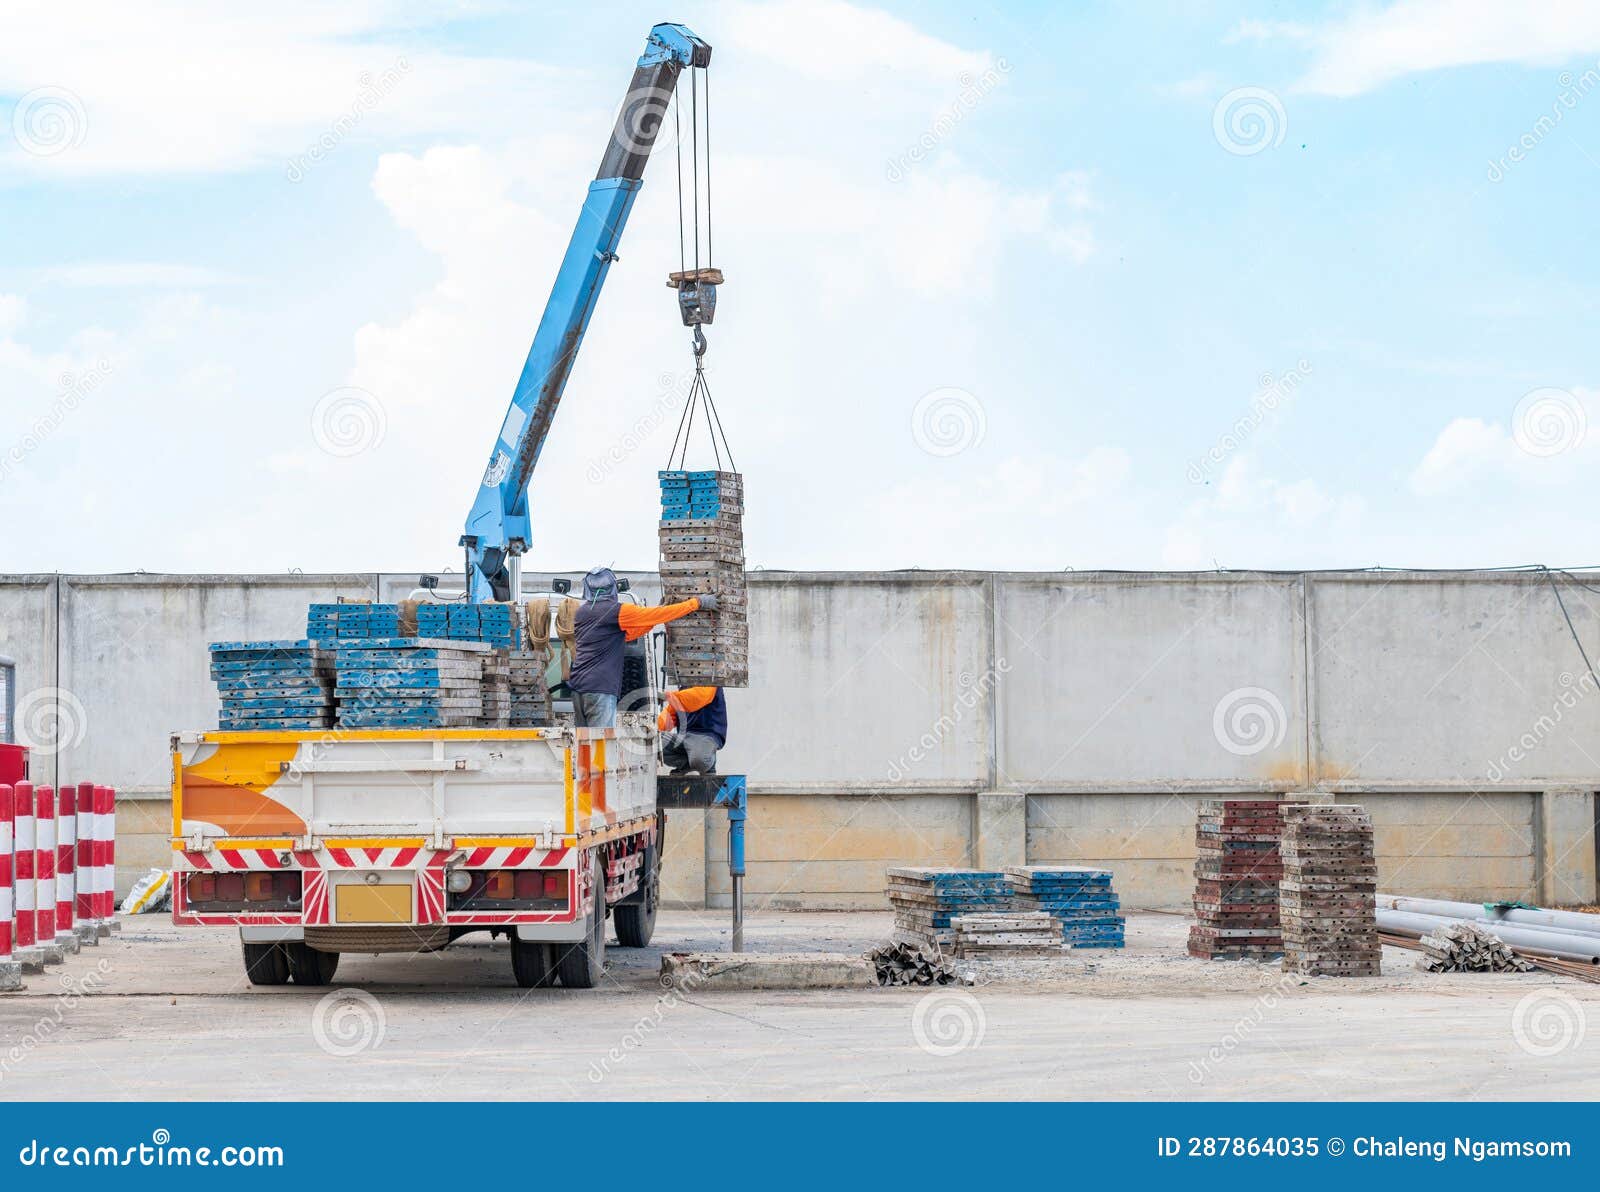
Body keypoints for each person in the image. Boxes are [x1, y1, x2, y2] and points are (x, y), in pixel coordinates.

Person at [568, 567, 717, 729]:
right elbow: (653, 616)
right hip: (600, 689)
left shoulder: (582, 613)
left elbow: (625, 636)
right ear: (613, 587)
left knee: (582, 745)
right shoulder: (617, 611)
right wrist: (697, 603)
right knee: (602, 746)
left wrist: (656, 615)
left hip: (578, 689)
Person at [657, 686, 726, 775]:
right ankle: (687, 765)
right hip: (684, 739)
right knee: (651, 741)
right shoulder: (682, 691)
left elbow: (696, 697)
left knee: (699, 760)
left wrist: (668, 696)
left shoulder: (711, 682)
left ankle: (707, 765)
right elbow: (668, 717)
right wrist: (647, 730)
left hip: (705, 735)